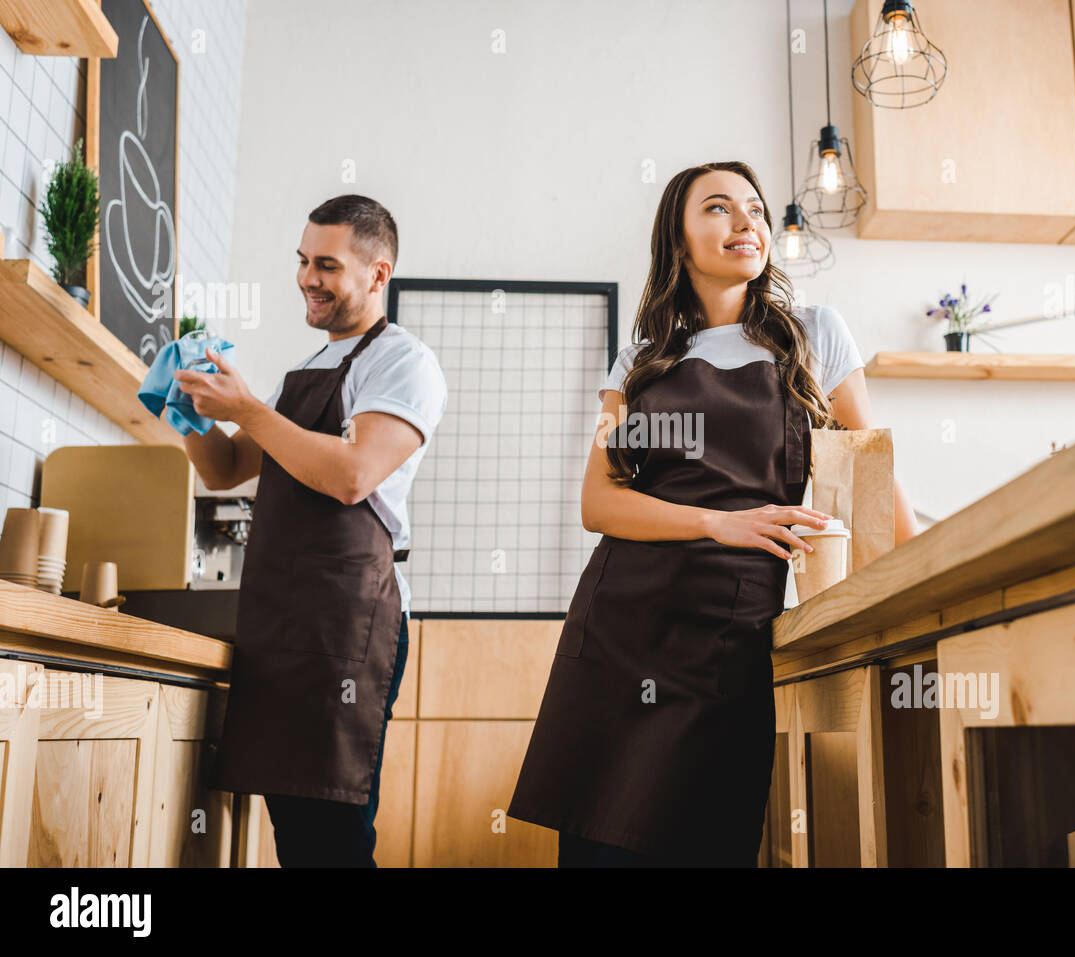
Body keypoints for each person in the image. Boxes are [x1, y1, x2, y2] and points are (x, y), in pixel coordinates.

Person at [507, 161, 919, 867]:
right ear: (679, 241)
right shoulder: (639, 360)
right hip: (618, 636)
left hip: (728, 646)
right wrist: (716, 522)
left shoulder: (815, 334)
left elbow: (874, 481)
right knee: (598, 853)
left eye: (755, 210)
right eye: (719, 209)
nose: (746, 223)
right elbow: (599, 501)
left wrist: (920, 574)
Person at [175, 194, 446, 866]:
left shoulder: (404, 363)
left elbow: (354, 475)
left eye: (326, 264)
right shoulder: (310, 370)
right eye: (302, 260)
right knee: (299, 837)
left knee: (333, 835)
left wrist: (246, 407)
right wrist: (187, 410)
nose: (306, 277)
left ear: (378, 274)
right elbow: (228, 467)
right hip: (286, 624)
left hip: (346, 630)